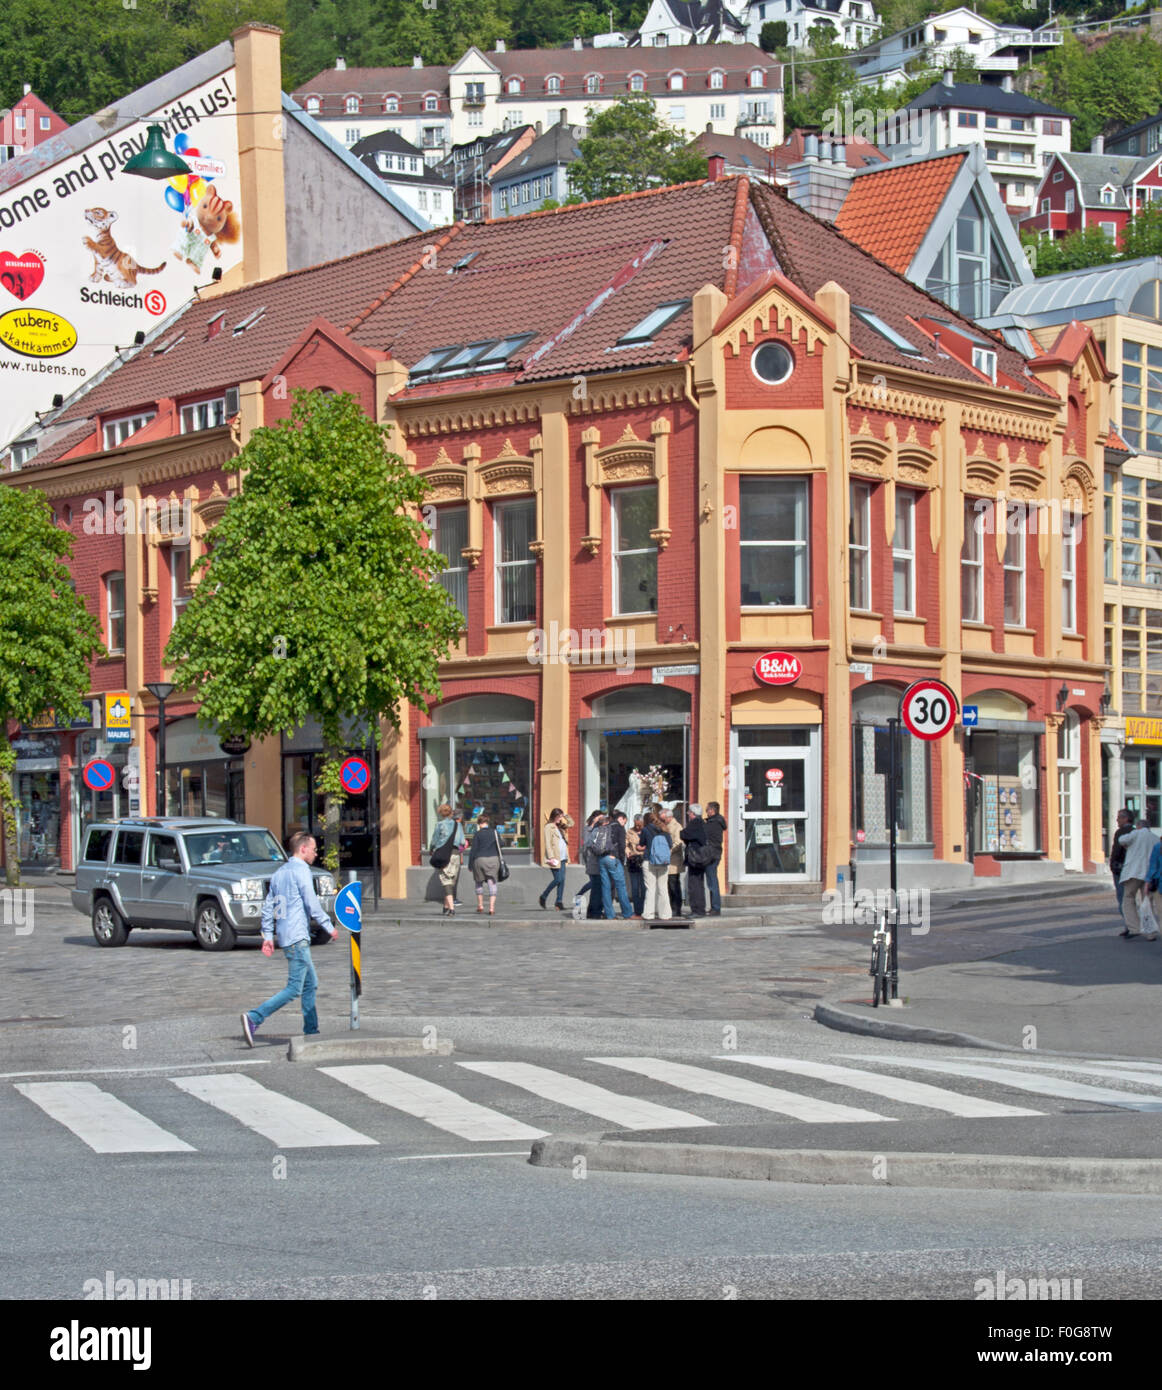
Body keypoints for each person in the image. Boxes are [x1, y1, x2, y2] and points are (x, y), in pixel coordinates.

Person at [241, 832, 337, 1046]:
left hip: (287, 936)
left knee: (310, 984)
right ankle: (255, 1017)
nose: (315, 852)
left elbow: (268, 908)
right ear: (303, 849)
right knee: (295, 987)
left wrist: (267, 935)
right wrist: (329, 926)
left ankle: (311, 1032)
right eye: (313, 849)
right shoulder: (302, 871)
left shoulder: (279, 873)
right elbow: (311, 903)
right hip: (297, 936)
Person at [1118, 818, 1160, 939]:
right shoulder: (1154, 838)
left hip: (1133, 872)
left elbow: (1122, 840)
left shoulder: (1136, 833)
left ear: (1138, 826)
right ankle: (1150, 932)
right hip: (1148, 875)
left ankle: (1134, 927)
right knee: (1147, 902)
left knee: (1128, 898)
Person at [430, 802, 466, 916]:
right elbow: (462, 842)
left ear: (440, 814)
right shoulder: (458, 825)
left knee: (446, 881)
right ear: (451, 812)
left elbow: (434, 840)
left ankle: (451, 909)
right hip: (455, 854)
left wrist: (432, 848)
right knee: (451, 880)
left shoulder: (440, 825)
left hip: (444, 855)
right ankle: (446, 907)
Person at [601, 810, 637, 920]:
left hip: (602, 858)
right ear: (622, 818)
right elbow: (622, 846)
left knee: (606, 887)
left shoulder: (606, 826)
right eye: (625, 822)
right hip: (613, 859)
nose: (624, 824)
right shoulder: (619, 828)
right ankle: (627, 913)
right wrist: (621, 861)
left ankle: (609, 914)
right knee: (621, 886)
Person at [468, 812, 503, 917]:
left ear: (479, 823)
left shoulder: (477, 834)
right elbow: (501, 844)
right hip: (493, 859)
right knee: (491, 883)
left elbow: (473, 850)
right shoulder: (494, 832)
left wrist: (470, 864)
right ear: (488, 822)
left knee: (479, 882)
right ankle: (491, 908)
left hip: (479, 860)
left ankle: (480, 905)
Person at [641, 811, 672, 924]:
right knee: (663, 888)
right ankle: (665, 914)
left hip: (649, 861)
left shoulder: (645, 830)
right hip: (663, 862)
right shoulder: (665, 829)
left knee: (650, 888)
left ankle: (649, 914)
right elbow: (670, 845)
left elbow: (642, 844)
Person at [680, 803, 709, 917]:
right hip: (701, 857)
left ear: (693, 814)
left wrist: (683, 833)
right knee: (699, 883)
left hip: (695, 858)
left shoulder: (695, 823)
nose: (688, 815)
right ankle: (700, 909)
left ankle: (697, 910)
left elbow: (684, 834)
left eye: (689, 813)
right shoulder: (703, 822)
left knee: (694, 885)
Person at [539, 808, 569, 911]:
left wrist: (565, 815)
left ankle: (559, 902)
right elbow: (547, 842)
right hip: (555, 857)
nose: (561, 818)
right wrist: (551, 856)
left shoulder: (560, 826)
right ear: (554, 816)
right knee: (558, 879)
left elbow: (572, 823)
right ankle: (543, 896)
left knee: (562, 880)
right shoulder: (549, 827)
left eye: (561, 816)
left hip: (563, 857)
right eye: (559, 816)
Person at [1109, 808, 1134, 918]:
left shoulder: (1120, 832)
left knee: (1122, 897)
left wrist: (1112, 864)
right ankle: (1133, 923)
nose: (1117, 820)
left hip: (1120, 868)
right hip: (1132, 868)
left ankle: (1129, 924)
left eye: (1119, 817)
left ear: (1126, 819)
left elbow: (1117, 850)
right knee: (1130, 896)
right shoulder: (1134, 831)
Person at [704, 801, 727, 916]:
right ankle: (715, 907)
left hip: (711, 855)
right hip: (715, 854)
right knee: (712, 880)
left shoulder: (713, 823)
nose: (706, 812)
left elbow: (706, 837)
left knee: (712, 882)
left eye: (707, 809)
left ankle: (716, 907)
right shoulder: (718, 821)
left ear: (712, 811)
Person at [662, 808, 685, 918]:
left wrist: (666, 852)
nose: (662, 820)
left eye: (663, 818)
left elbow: (678, 843)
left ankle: (676, 909)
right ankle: (670, 908)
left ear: (669, 817)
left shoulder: (676, 826)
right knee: (668, 886)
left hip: (673, 861)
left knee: (674, 885)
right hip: (666, 861)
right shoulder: (665, 826)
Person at [626, 814, 646, 917]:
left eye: (640, 825)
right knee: (634, 887)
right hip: (633, 860)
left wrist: (644, 848)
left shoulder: (646, 831)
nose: (638, 827)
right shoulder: (629, 832)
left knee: (643, 886)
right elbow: (625, 845)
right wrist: (627, 851)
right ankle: (637, 910)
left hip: (644, 860)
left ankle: (644, 909)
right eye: (636, 824)